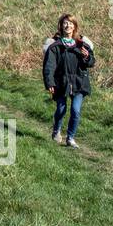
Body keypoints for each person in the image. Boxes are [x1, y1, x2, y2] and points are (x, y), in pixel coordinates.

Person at [42, 13, 95, 148]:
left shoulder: (82, 44)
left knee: (75, 110)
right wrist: (50, 83)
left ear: (75, 26)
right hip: (61, 82)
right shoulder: (55, 46)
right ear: (61, 26)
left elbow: (91, 63)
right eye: (65, 23)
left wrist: (87, 56)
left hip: (79, 82)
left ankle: (70, 138)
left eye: (71, 23)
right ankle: (57, 130)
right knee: (61, 109)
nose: (68, 25)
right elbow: (49, 66)